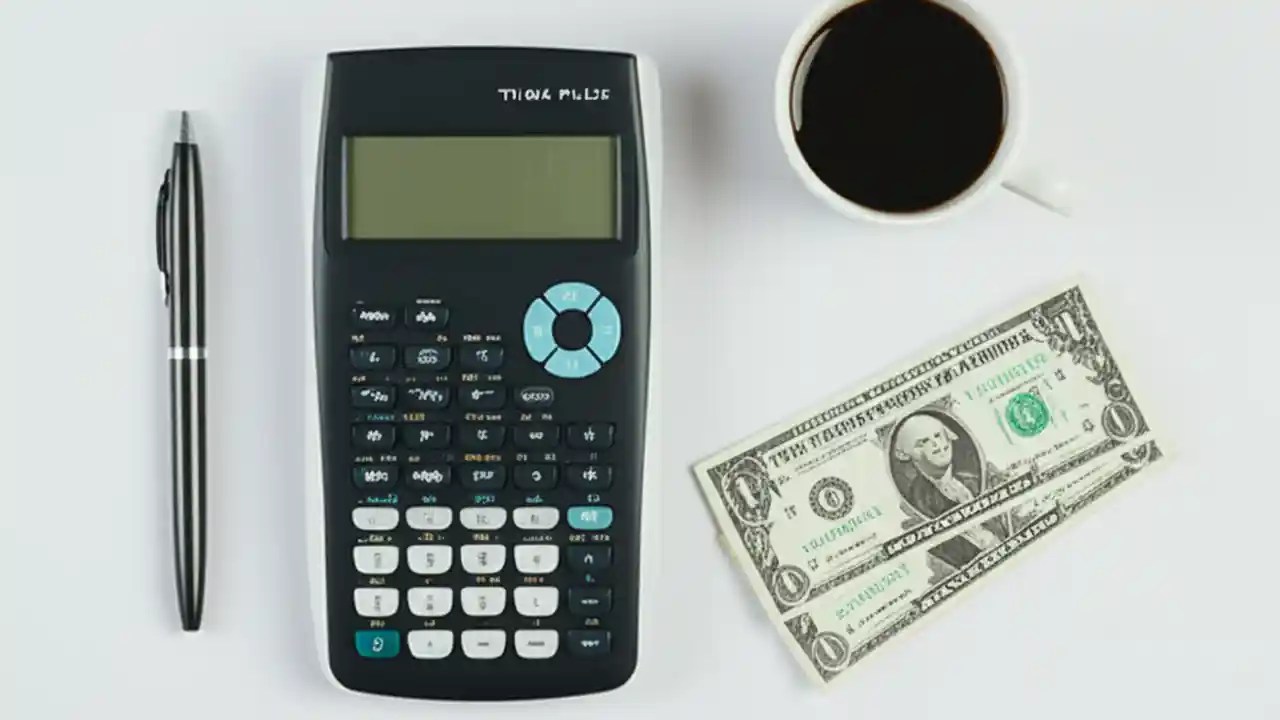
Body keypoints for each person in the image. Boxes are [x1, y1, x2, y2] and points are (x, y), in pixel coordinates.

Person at [892, 413, 1009, 570]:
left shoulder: (974, 479)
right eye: (924, 442)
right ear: (906, 454)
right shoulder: (920, 501)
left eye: (938, 435)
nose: (937, 444)